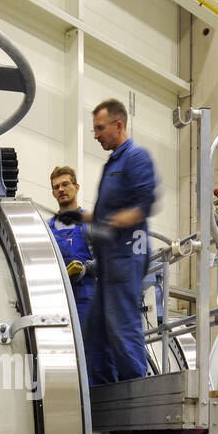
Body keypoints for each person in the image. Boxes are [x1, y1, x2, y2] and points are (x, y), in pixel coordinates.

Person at [58, 99, 158, 385]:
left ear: (119, 125)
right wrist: (80, 218)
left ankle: (136, 394)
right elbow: (106, 212)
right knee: (96, 336)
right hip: (109, 266)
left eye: (100, 128)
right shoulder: (114, 162)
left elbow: (144, 206)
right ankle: (106, 401)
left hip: (127, 259)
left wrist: (108, 228)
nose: (96, 135)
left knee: (122, 327)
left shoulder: (135, 158)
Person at [46, 166, 96, 332]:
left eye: (65, 184)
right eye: (56, 187)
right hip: (57, 300)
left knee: (89, 350)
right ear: (53, 193)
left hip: (87, 299)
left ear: (76, 187)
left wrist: (85, 269)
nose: (61, 189)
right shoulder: (46, 228)